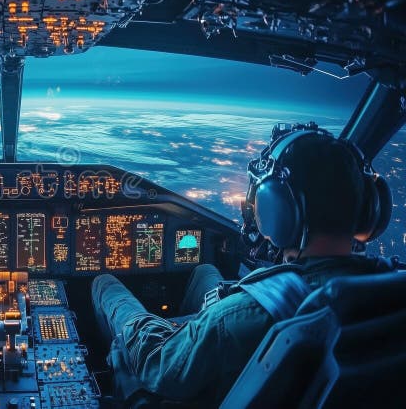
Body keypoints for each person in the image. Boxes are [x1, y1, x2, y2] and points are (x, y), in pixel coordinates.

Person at [91, 123, 393, 406]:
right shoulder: (389, 286)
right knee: (205, 271)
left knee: (105, 284)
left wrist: (140, 325)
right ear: (370, 209)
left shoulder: (247, 314)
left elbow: (160, 366)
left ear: (278, 210)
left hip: (192, 376)